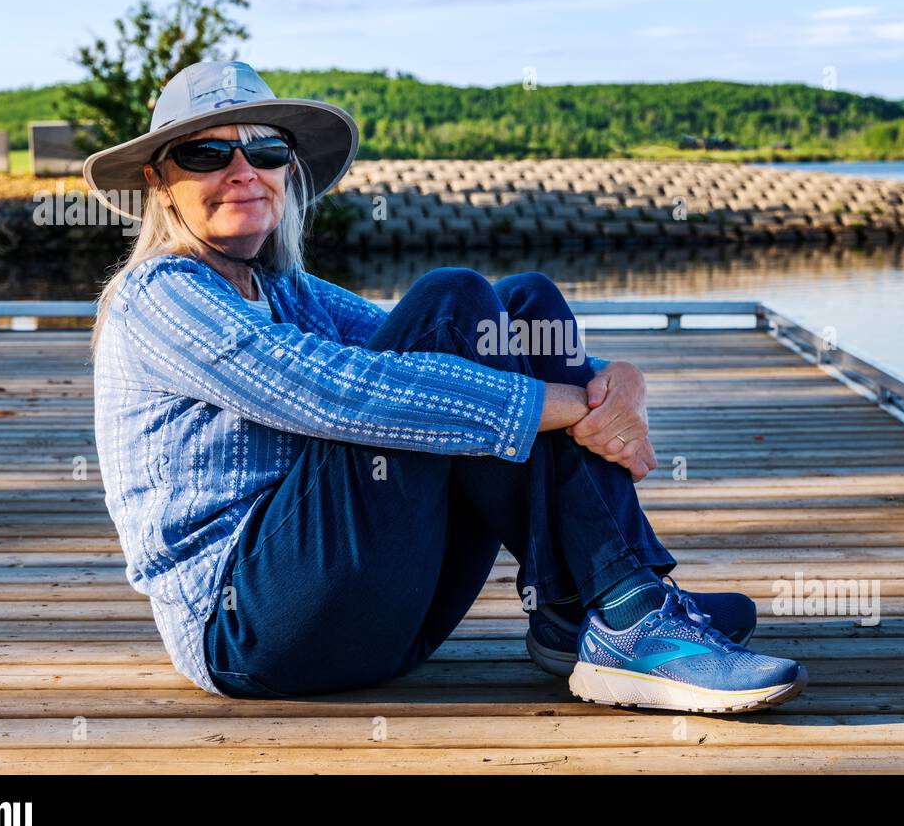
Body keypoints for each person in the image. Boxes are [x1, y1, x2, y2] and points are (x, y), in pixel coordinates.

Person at [83, 60, 806, 713]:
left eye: (265, 147)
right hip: (251, 631)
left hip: (378, 619)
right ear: (159, 180)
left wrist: (616, 381)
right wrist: (562, 406)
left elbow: (440, 352)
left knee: (523, 305)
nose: (243, 168)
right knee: (457, 297)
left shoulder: (287, 290)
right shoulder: (159, 293)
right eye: (208, 151)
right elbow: (335, 392)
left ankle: (591, 604)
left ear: (286, 168)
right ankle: (621, 602)